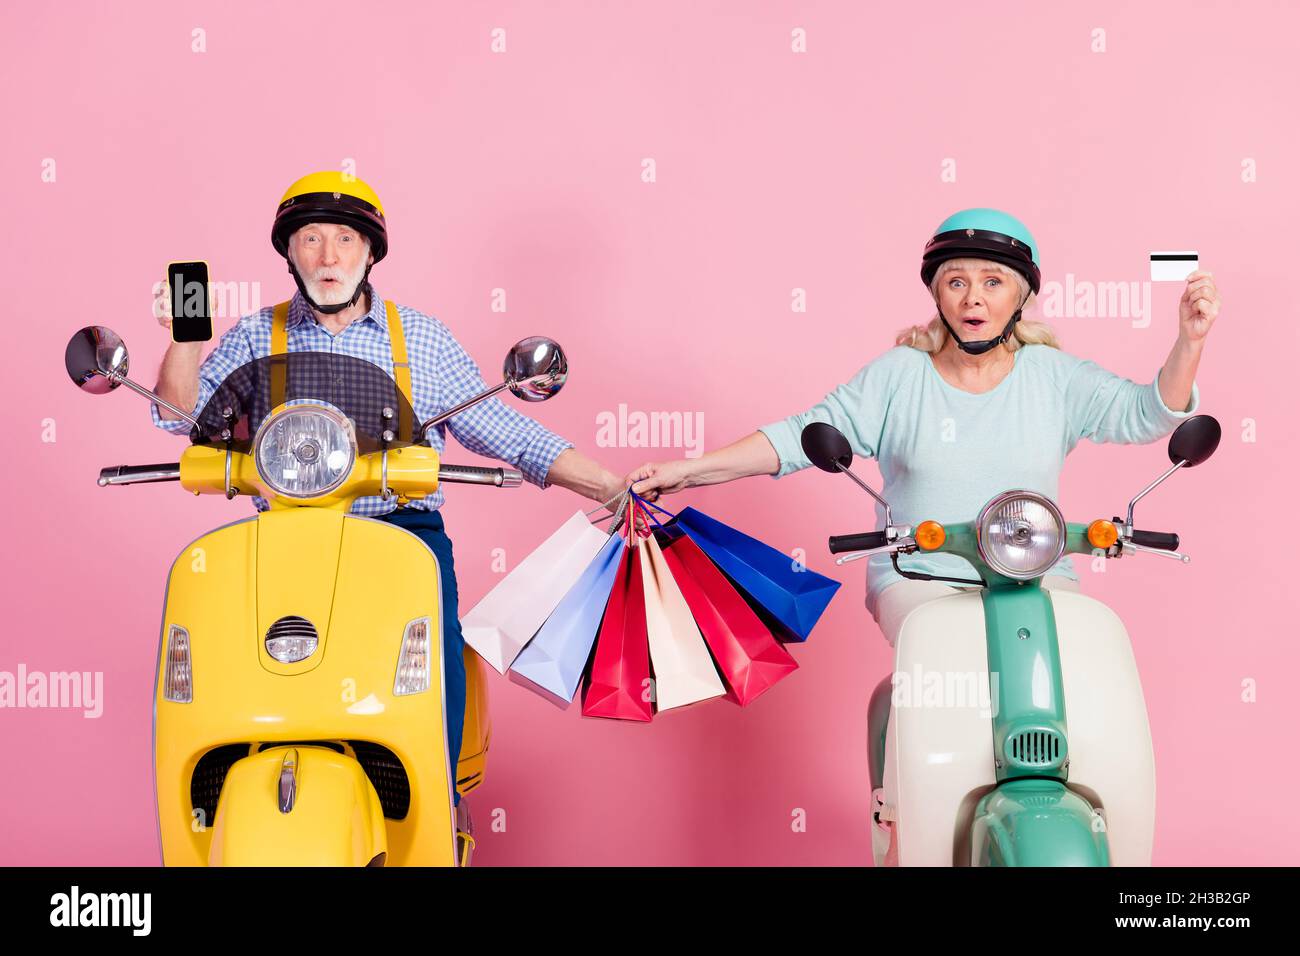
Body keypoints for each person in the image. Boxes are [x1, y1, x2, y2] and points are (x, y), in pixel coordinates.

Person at [149, 171, 631, 808]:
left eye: (345, 240)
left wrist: (606, 483)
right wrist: (186, 341)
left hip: (400, 535)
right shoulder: (252, 336)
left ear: (370, 253)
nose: (327, 257)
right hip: (284, 543)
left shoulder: (421, 339)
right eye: (310, 240)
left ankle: (435, 805)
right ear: (288, 253)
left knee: (433, 672)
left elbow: (502, 429)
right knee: (231, 666)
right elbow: (181, 422)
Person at [627, 208, 1221, 646]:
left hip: (1036, 571)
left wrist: (1189, 340)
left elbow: (1147, 413)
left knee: (1093, 650)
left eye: (993, 282)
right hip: (920, 568)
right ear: (937, 294)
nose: (973, 298)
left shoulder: (1053, 377)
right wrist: (688, 471)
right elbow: (798, 436)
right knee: (945, 663)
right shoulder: (899, 376)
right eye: (956, 281)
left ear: (1021, 297)